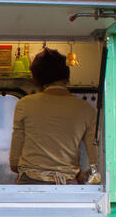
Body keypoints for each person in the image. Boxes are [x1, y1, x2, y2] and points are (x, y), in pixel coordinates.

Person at [9, 47, 99, 185]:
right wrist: (79, 174)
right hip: (68, 186)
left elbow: (14, 163)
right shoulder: (86, 109)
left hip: (30, 186)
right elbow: (95, 163)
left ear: (36, 78)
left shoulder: (24, 104)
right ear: (66, 76)